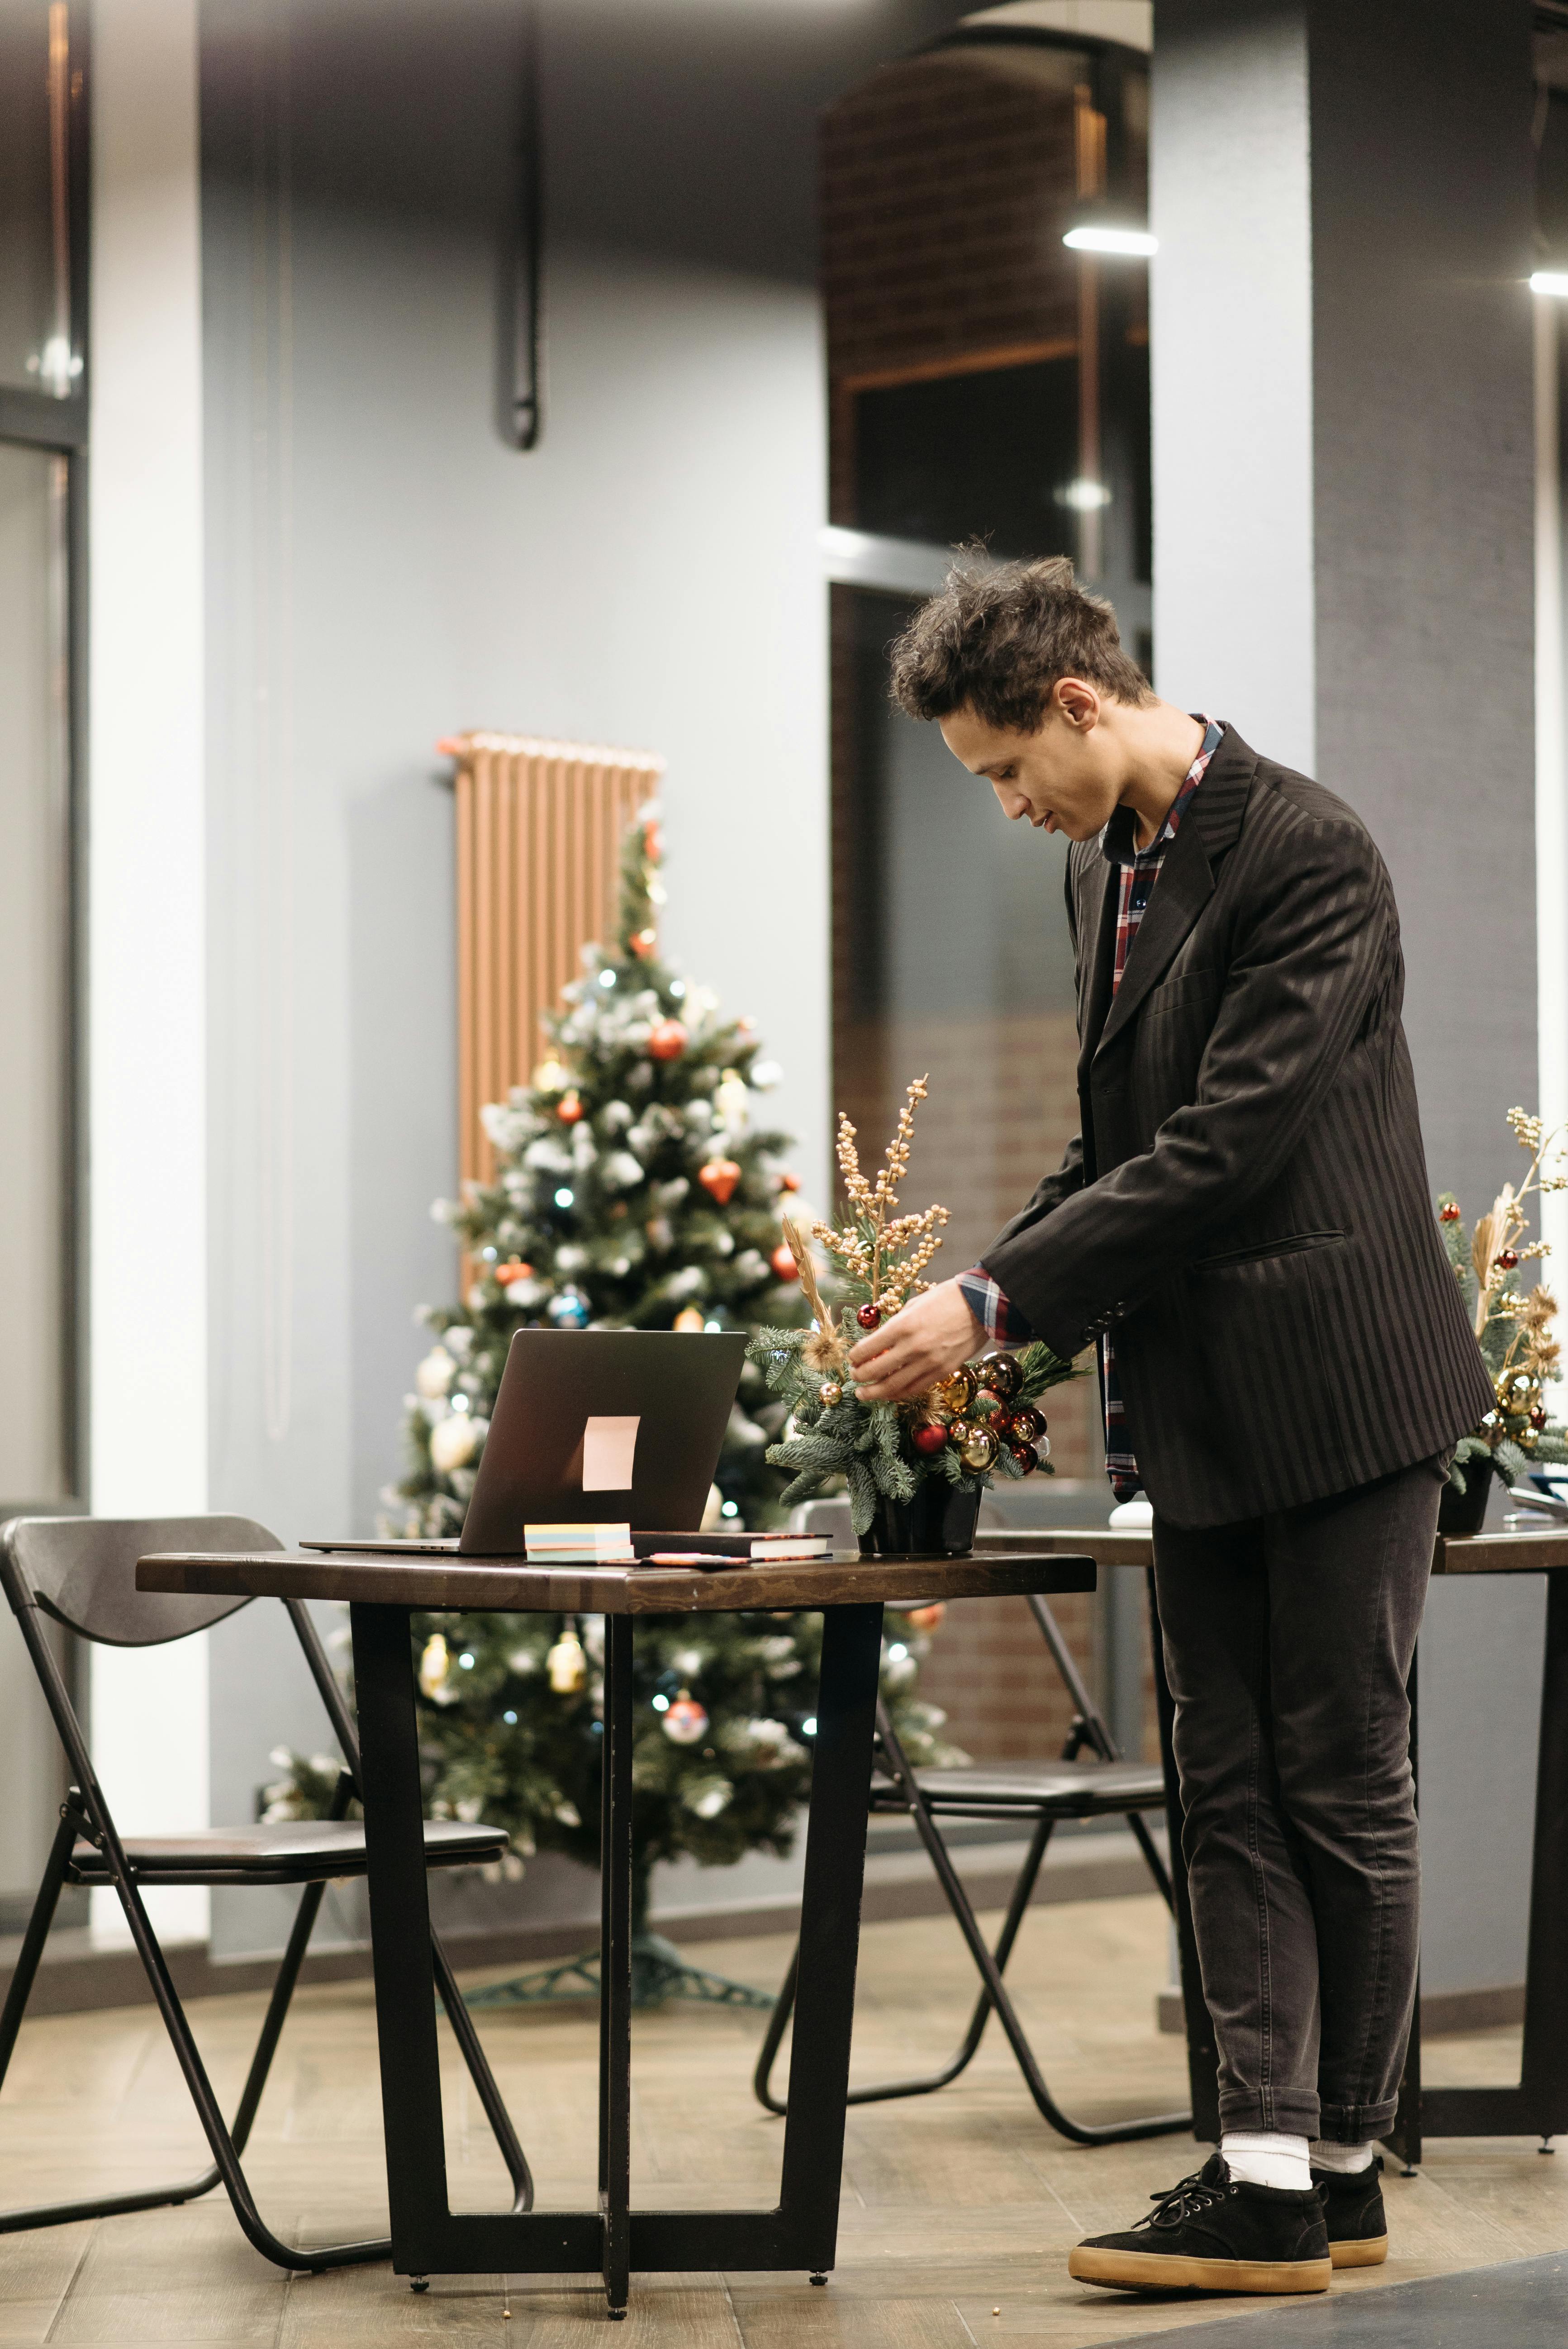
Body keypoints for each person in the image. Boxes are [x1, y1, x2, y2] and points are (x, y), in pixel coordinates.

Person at [849, 556, 1492, 2297]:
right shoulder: (1099, 870)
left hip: (1345, 1385)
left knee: (1337, 1772)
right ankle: (1267, 2170)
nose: (1007, 807)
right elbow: (1114, 1150)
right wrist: (980, 1306)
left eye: (1006, 768)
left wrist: (995, 1300)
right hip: (1198, 1394)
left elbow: (1230, 1147)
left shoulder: (1306, 849)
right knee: (1223, 1778)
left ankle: (1334, 2168)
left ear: (1078, 702)